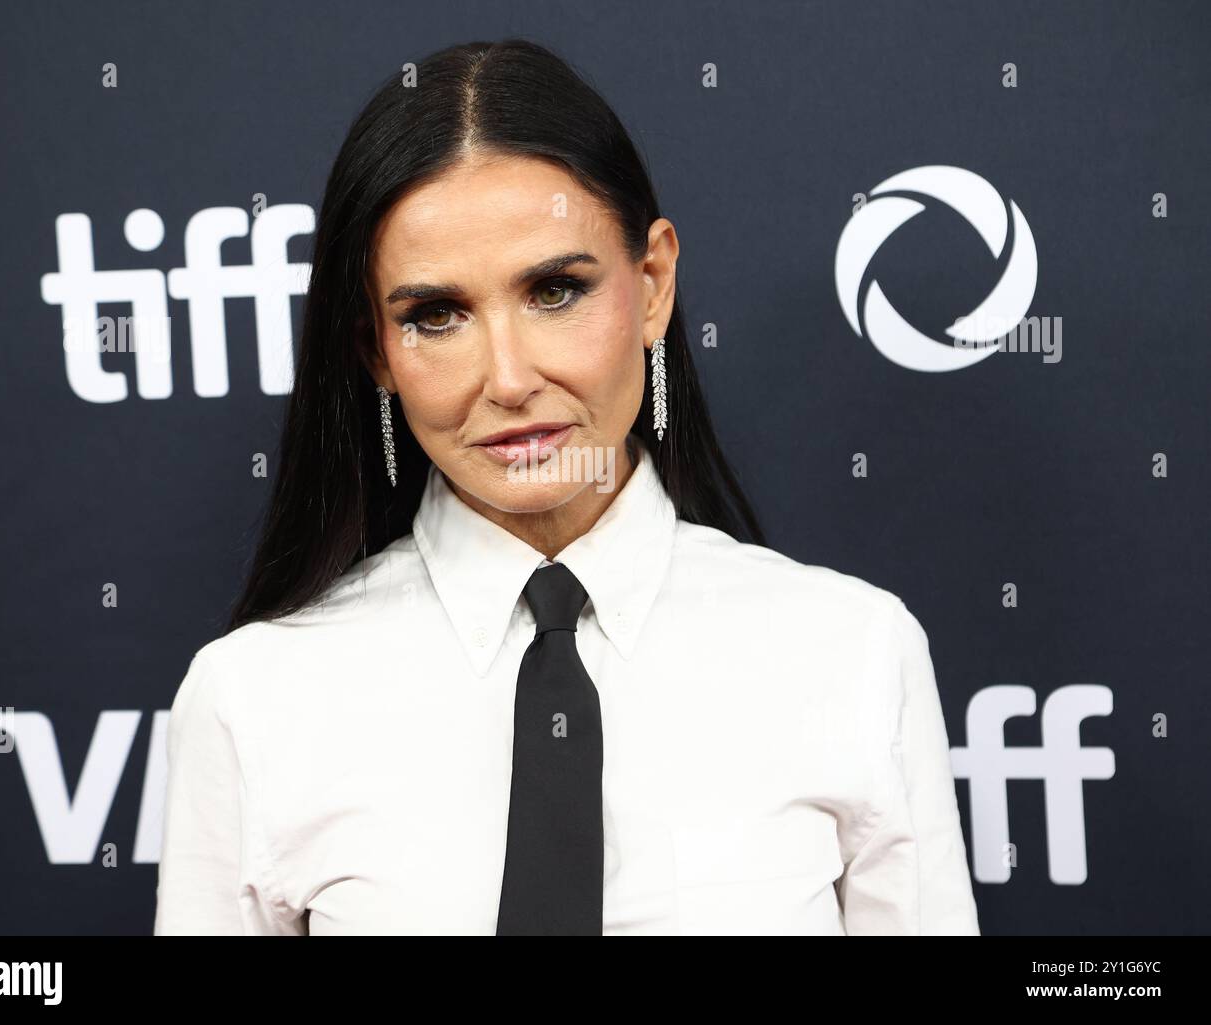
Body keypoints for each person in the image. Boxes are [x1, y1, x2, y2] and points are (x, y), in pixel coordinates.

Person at [153, 38, 980, 936]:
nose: (507, 378)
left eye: (555, 290)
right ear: (376, 354)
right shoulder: (254, 699)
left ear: (653, 283)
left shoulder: (853, 654)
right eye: (436, 315)